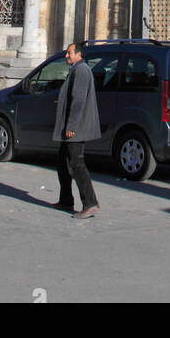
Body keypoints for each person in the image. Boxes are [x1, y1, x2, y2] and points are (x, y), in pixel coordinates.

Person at [50, 42, 101, 219]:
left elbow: (77, 100)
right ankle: (66, 200)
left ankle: (90, 203)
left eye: (69, 53)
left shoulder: (81, 70)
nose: (66, 56)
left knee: (77, 164)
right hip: (71, 128)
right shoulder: (77, 69)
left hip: (76, 129)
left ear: (78, 54)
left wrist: (71, 126)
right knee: (63, 164)